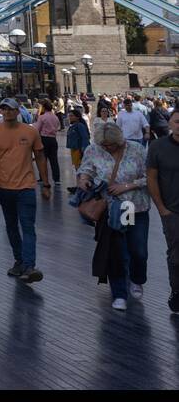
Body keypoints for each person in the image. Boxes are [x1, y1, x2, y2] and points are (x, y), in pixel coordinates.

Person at [77, 122, 150, 311]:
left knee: (138, 251)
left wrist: (126, 186)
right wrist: (84, 180)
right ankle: (119, 294)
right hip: (111, 208)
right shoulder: (94, 150)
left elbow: (149, 176)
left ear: (119, 141)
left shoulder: (137, 149)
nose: (107, 148)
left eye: (110, 144)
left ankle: (136, 278)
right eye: (103, 145)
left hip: (135, 206)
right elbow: (86, 169)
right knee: (116, 252)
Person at [0, 97, 50, 283]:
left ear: (17, 111)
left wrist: (46, 184)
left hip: (26, 187)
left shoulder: (30, 131)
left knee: (28, 227)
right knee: (11, 226)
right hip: (4, 187)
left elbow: (40, 156)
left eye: (11, 109)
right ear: (1, 111)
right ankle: (19, 261)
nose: (7, 112)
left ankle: (29, 266)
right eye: (4, 109)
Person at [147, 110, 179, 313]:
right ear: (170, 123)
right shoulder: (158, 147)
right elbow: (151, 177)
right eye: (177, 122)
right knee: (176, 254)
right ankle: (176, 291)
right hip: (172, 211)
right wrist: (161, 208)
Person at [34, 99, 62, 187]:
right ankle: (57, 179)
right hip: (53, 139)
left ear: (44, 108)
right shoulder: (55, 117)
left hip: (44, 139)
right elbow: (58, 127)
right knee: (54, 160)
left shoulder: (42, 117)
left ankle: (42, 177)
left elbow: (37, 129)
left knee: (43, 160)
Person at [65, 108, 91, 192]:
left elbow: (85, 138)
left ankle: (81, 186)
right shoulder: (74, 126)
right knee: (77, 168)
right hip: (74, 150)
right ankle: (79, 185)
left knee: (80, 168)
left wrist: (83, 150)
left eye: (72, 116)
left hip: (79, 150)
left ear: (77, 117)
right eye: (69, 116)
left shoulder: (79, 126)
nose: (70, 117)